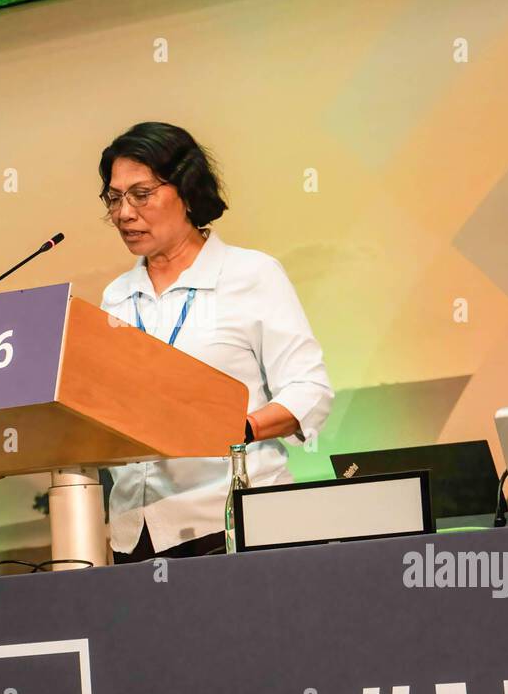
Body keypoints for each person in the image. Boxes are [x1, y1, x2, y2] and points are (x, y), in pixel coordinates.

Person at [99, 122, 334, 563]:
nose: (124, 213)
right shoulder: (115, 297)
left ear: (186, 191)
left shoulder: (251, 275)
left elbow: (309, 391)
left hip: (233, 520)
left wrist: (237, 430)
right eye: (114, 198)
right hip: (136, 534)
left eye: (141, 194)